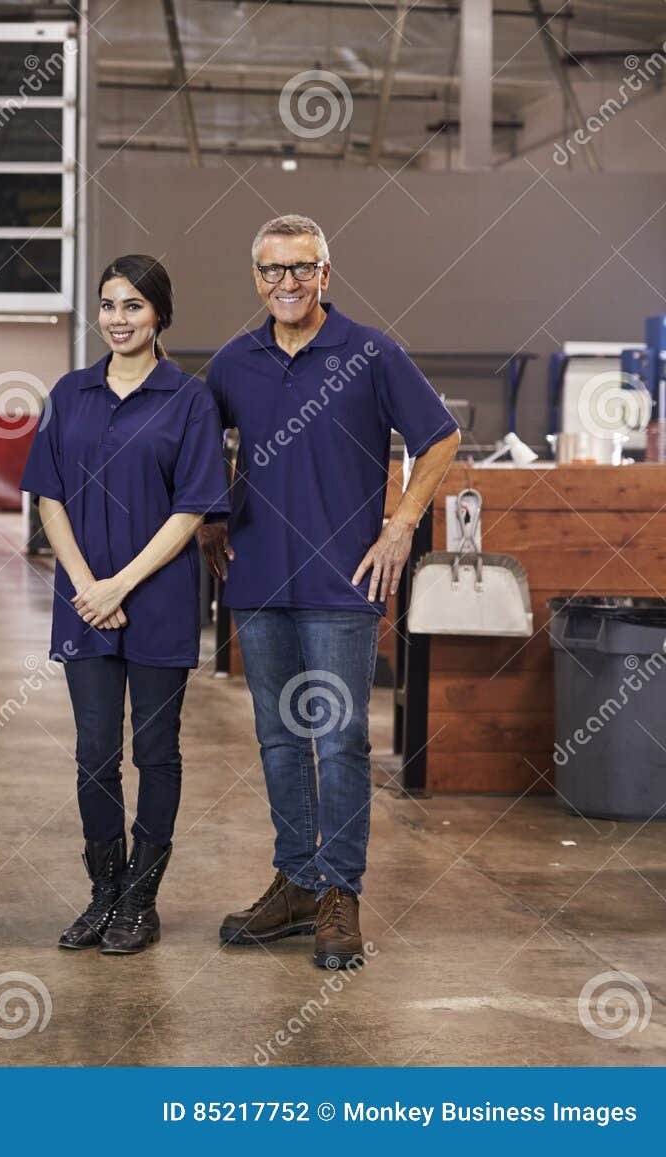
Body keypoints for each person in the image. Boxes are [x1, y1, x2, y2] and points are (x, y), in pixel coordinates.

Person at [201, 214, 461, 969]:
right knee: (280, 738)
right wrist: (211, 514)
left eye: (302, 268)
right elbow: (187, 441)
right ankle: (295, 881)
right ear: (256, 278)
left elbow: (438, 436)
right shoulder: (232, 361)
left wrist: (402, 522)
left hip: (344, 582)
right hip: (256, 579)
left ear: (326, 273)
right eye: (273, 270)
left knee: (340, 739)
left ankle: (339, 891)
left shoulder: (371, 352)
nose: (288, 282)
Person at [22, 255, 228, 954]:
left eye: (134, 306)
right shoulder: (70, 392)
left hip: (159, 597)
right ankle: (104, 890)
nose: (118, 318)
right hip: (84, 601)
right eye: (109, 305)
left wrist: (121, 585)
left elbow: (193, 507)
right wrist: (88, 584)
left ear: (160, 314)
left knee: (155, 750)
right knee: (93, 754)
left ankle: (142, 897)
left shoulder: (188, 399)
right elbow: (49, 496)